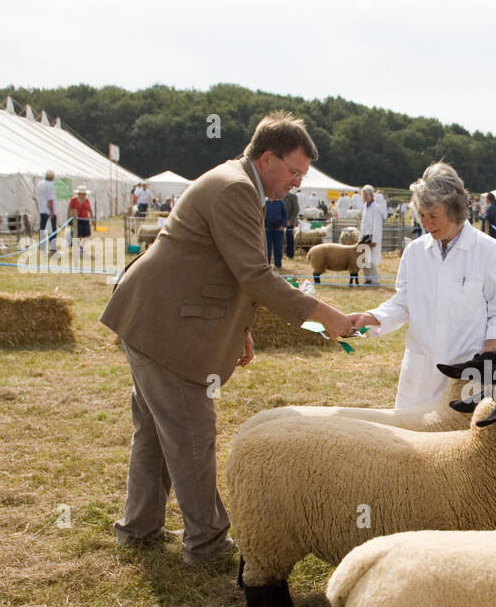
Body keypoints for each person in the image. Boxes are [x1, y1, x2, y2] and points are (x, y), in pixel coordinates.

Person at [100, 111, 353, 569]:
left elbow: (225, 267)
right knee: (191, 436)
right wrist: (325, 316)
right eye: (294, 171)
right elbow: (255, 275)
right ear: (268, 157)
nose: (297, 183)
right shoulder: (237, 188)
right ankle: (207, 541)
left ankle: (139, 528)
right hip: (166, 329)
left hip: (152, 319)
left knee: (157, 433)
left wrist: (241, 329)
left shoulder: (236, 182)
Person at [348, 162, 496, 410]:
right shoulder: (415, 252)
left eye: (433, 216)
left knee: (457, 445)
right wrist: (371, 317)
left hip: (464, 373)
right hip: (420, 372)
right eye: (421, 215)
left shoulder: (488, 251)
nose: (426, 223)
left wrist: (490, 348)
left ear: (455, 210)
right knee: (412, 441)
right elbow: (404, 302)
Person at [357, 183, 386, 285]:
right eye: (363, 194)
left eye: (365, 195)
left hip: (372, 236)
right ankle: (367, 279)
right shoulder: (365, 206)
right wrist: (360, 236)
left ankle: (375, 280)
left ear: (370, 195)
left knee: (372, 260)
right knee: (363, 258)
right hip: (364, 236)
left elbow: (377, 225)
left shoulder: (376, 208)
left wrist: (375, 240)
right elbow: (363, 223)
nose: (364, 197)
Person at [66, 185, 94, 256]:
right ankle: (80, 248)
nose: (85, 195)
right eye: (83, 194)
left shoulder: (87, 200)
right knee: (79, 234)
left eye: (85, 194)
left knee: (86, 234)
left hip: (85, 219)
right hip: (77, 220)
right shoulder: (73, 200)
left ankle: (81, 246)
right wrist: (69, 217)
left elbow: (90, 209)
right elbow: (70, 208)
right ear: (80, 194)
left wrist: (92, 217)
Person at [36, 170, 57, 253]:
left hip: (42, 210)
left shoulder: (40, 184)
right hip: (48, 211)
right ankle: (52, 248)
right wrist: (52, 211)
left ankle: (42, 247)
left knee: (42, 229)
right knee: (52, 230)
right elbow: (50, 200)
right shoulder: (50, 185)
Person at [263, 196, 287, 268]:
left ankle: (278, 264)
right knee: (267, 248)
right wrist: (263, 226)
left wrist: (282, 225)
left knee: (278, 248)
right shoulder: (264, 203)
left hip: (278, 229)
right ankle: (267, 265)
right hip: (267, 229)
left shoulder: (280, 203)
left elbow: (285, 215)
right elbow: (261, 215)